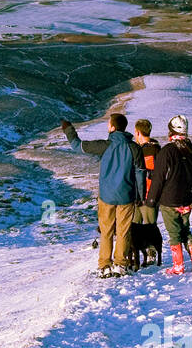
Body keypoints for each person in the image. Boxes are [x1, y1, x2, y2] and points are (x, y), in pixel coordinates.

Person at [59, 112, 145, 278]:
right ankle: (120, 264)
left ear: (112, 127)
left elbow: (77, 146)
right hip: (126, 196)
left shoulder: (104, 146)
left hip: (106, 196)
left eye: (108, 124)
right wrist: (140, 196)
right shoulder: (135, 148)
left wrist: (68, 129)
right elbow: (140, 174)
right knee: (123, 232)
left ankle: (105, 265)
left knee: (106, 231)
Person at [146, 114, 192, 275]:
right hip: (187, 200)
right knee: (186, 231)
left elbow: (158, 179)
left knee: (174, 233)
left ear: (170, 131)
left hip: (170, 200)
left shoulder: (167, 151)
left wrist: (151, 200)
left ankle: (178, 266)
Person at [132, 119, 160, 224]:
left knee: (148, 229)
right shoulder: (156, 149)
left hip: (145, 197)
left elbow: (149, 174)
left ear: (138, 132)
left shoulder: (147, 152)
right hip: (147, 197)